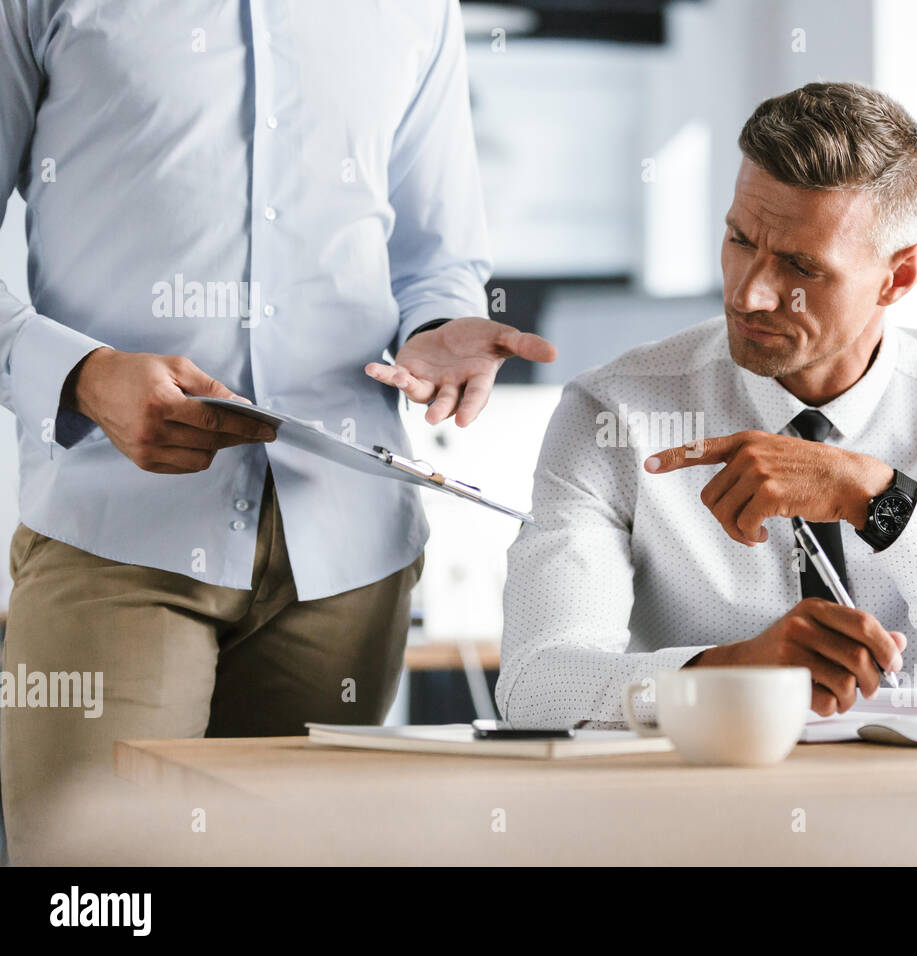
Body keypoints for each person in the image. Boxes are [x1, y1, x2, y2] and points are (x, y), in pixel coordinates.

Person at [0, 0, 553, 861]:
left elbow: (437, 258)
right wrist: (80, 376)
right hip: (115, 537)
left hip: (346, 556)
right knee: (99, 904)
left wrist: (441, 326)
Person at [498, 82, 917, 728]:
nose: (750, 295)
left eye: (801, 267)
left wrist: (878, 498)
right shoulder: (615, 414)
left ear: (899, 276)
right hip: (701, 810)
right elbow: (535, 684)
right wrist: (726, 675)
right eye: (741, 240)